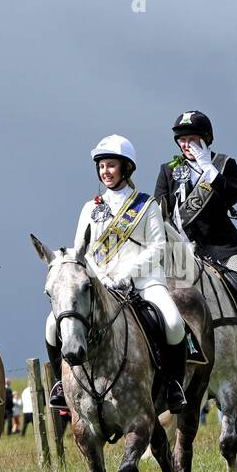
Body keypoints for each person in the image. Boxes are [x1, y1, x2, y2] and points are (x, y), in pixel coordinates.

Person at [45, 135, 189, 412]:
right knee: (53, 324)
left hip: (144, 281)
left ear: (126, 168)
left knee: (173, 322)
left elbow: (158, 246)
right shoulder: (91, 208)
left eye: (111, 165)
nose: (105, 172)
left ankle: (173, 384)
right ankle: (60, 385)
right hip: (100, 284)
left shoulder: (146, 206)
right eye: (101, 166)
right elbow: (81, 251)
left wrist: (127, 273)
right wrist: (99, 276)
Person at [153, 110, 237, 370]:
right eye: (182, 140)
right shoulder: (168, 171)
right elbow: (160, 211)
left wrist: (208, 169)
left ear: (206, 139)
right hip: (180, 253)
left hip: (221, 247)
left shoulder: (224, 164)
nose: (187, 145)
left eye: (192, 139)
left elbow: (231, 197)